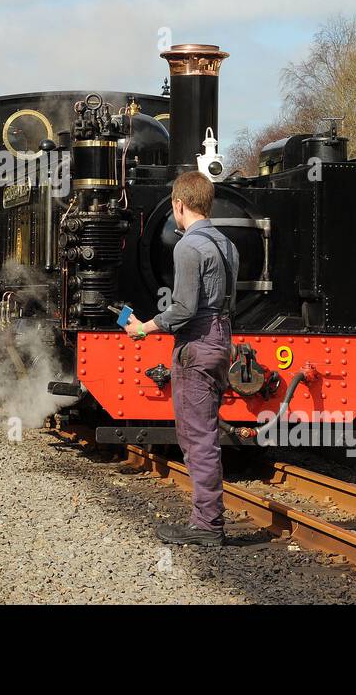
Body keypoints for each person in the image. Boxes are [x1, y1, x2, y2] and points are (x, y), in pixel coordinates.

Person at [125, 171, 238, 546]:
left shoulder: (188, 247)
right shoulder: (228, 245)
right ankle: (206, 518)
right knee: (204, 432)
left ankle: (207, 524)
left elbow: (184, 309)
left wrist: (144, 328)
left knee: (197, 436)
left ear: (178, 204)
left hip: (197, 343)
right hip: (222, 339)